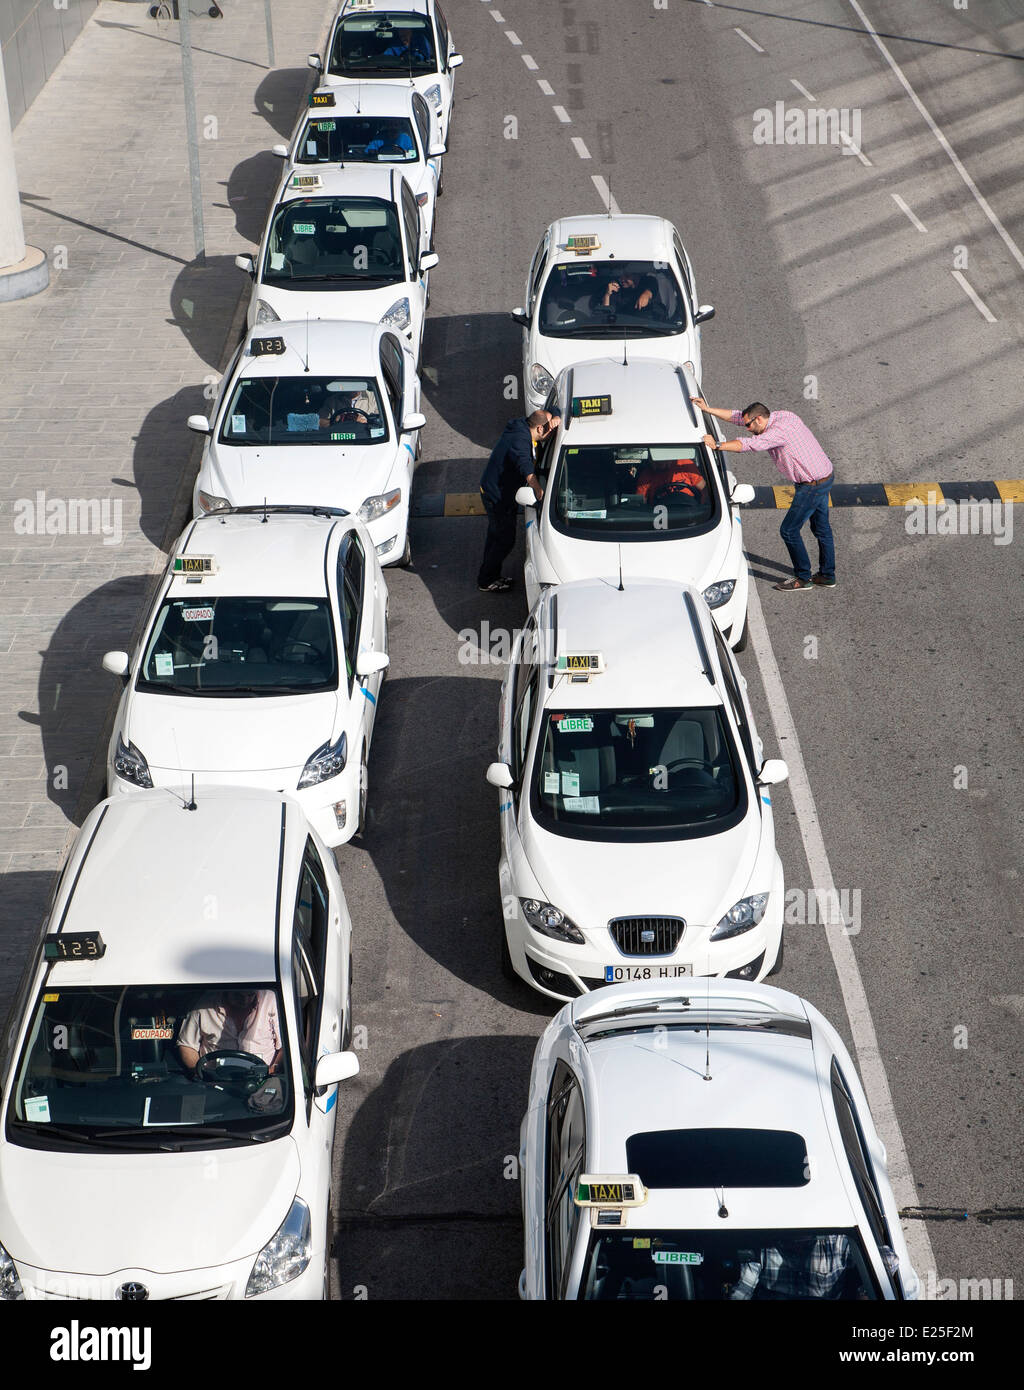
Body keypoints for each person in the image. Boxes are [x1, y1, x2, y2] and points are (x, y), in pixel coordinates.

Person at [693, 396, 836, 591]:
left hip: (811, 485)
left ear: (759, 419)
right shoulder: (784, 416)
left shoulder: (777, 433)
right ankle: (827, 575)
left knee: (789, 530)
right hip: (825, 475)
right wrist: (708, 409)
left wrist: (717, 445)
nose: (747, 429)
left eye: (749, 426)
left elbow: (749, 445)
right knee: (821, 529)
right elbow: (737, 416)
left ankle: (803, 578)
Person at [476, 410, 559, 592]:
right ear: (539, 428)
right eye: (549, 429)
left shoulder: (523, 425)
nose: (551, 432)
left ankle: (488, 573)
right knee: (504, 539)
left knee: (496, 535)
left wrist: (557, 416)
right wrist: (539, 490)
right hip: (497, 496)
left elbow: (553, 408)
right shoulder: (519, 441)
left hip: (499, 489)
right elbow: (526, 468)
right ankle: (487, 579)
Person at [177, 988, 282, 1075]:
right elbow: (187, 1045)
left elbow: (287, 1045)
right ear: (226, 991)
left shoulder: (271, 1000)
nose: (245, 1001)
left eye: (250, 995)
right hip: (215, 1080)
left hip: (263, 1079)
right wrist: (199, 1073)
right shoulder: (204, 1005)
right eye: (238, 996)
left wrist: (273, 1070)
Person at [633, 456, 707, 505]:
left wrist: (700, 508)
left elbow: (704, 489)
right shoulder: (646, 474)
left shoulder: (685, 464)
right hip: (660, 514)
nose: (658, 462)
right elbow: (640, 501)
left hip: (690, 510)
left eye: (661, 459)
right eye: (655, 460)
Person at [593, 269, 658, 315]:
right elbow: (606, 314)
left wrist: (647, 294)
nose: (622, 280)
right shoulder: (616, 288)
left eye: (627, 276)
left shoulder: (648, 281)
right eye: (620, 277)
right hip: (619, 326)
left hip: (647, 326)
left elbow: (653, 285)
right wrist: (607, 295)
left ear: (637, 275)